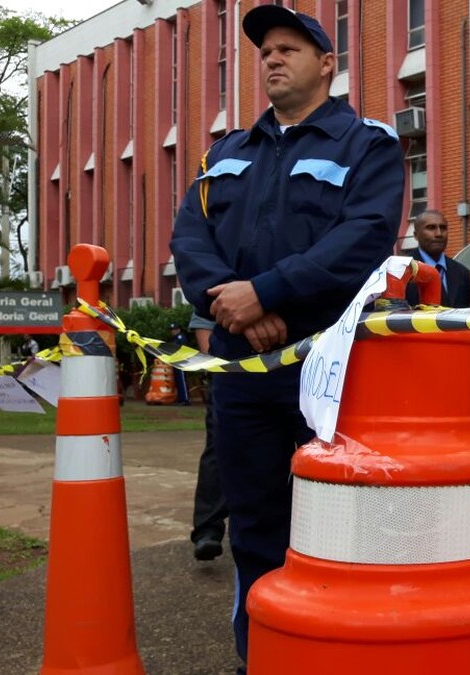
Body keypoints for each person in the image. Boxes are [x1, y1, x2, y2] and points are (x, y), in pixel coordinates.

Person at [168, 5, 403, 667]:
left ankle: (336, 652)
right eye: (265, 50)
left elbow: (362, 240)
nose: (271, 58)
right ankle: (261, 653)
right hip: (244, 371)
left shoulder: (367, 144)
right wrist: (237, 305)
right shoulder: (226, 153)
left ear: (328, 64)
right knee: (255, 525)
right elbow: (189, 239)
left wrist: (265, 291)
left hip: (328, 368)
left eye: (288, 49)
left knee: (338, 522)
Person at [188, 312, 227, 562]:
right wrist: (219, 370)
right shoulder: (220, 276)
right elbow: (204, 321)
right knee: (218, 449)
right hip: (231, 375)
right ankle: (208, 530)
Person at [404, 209, 470, 308]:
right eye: (431, 228)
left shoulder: (462, 272)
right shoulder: (402, 270)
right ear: (416, 235)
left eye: (443, 228)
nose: (439, 234)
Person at [169, 324, 191, 405]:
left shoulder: (181, 337)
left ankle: (185, 400)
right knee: (178, 381)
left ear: (178, 329)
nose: (173, 331)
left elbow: (183, 349)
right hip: (176, 362)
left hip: (181, 361)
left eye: (174, 329)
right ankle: (180, 398)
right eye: (171, 330)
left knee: (182, 381)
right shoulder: (174, 339)